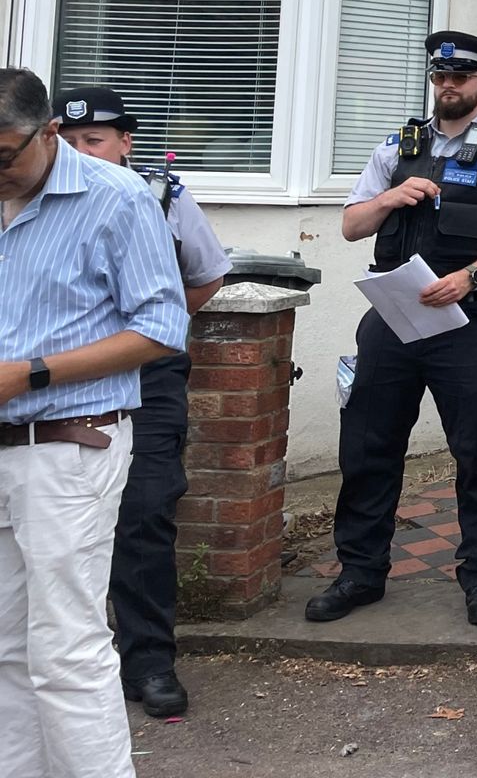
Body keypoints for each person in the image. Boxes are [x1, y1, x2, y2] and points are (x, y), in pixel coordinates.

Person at [311, 32, 477, 627]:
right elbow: (352, 226)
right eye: (441, 76)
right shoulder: (396, 147)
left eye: (462, 77)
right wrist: (392, 195)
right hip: (391, 318)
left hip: (466, 320)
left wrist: (469, 276)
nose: (449, 86)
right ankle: (360, 572)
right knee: (368, 448)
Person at [0, 68, 188, 778]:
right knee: (5, 649)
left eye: (4, 155)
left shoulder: (117, 198)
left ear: (49, 133)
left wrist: (31, 372)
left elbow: (163, 327)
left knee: (66, 648)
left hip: (68, 446)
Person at [54, 88, 232, 721]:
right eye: (69, 141)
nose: (80, 152)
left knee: (145, 514)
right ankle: (63, 663)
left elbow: (208, 273)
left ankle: (149, 662)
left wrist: (151, 331)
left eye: (94, 140)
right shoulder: (35, 198)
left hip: (147, 381)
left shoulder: (162, 196)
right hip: (56, 383)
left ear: (126, 143)